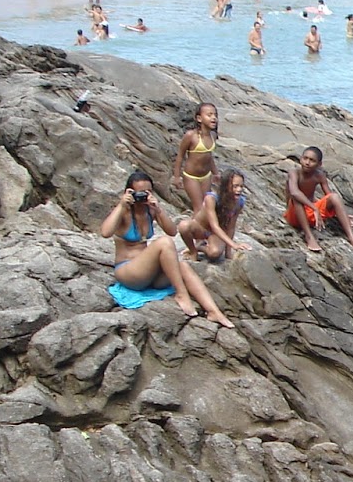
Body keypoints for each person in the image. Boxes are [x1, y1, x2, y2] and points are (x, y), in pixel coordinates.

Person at [101, 170, 231, 325]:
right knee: (164, 242)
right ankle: (181, 294)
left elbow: (172, 231)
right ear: (130, 192)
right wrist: (122, 205)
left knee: (182, 266)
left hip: (149, 273)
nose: (144, 196)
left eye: (148, 191)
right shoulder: (124, 213)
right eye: (140, 193)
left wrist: (158, 211)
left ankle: (213, 312)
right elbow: (105, 232)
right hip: (129, 273)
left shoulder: (150, 210)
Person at [284, 145, 353, 253]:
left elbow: (329, 196)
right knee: (297, 198)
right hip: (295, 215)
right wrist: (314, 207)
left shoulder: (319, 175)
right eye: (305, 158)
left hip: (311, 215)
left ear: (319, 164)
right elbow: (294, 192)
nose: (307, 162)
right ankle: (309, 237)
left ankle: (352, 238)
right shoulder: (294, 173)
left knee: (334, 196)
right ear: (301, 159)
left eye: (312, 160)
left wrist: (343, 215)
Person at [179, 167, 249, 262]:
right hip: (201, 228)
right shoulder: (211, 198)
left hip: (216, 233)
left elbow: (231, 227)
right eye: (235, 186)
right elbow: (214, 226)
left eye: (241, 186)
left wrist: (228, 252)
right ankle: (193, 251)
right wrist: (234, 245)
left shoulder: (239, 202)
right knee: (184, 226)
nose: (239, 189)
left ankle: (201, 247)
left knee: (214, 253)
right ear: (225, 186)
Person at [172, 102, 221, 215]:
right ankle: (195, 230)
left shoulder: (213, 135)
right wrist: (176, 176)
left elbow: (209, 157)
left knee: (206, 206)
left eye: (215, 115)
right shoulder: (191, 136)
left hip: (206, 176)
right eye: (209, 115)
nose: (213, 118)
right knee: (198, 208)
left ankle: (202, 230)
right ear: (199, 118)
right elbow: (180, 155)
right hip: (191, 177)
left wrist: (216, 173)